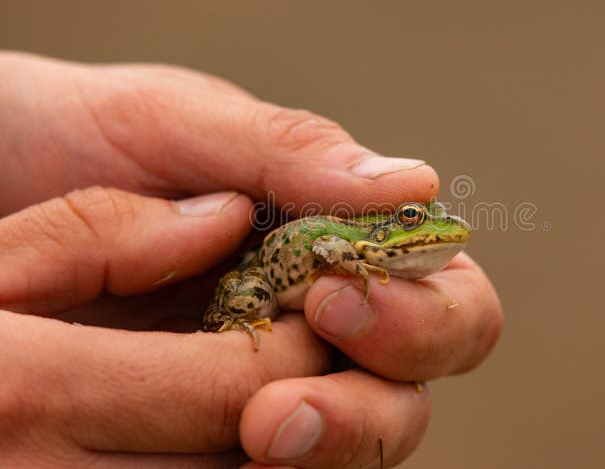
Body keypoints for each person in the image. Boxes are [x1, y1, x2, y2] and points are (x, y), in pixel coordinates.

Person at [0, 51, 503, 468]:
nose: (434, 227)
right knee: (258, 309)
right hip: (261, 277)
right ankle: (232, 324)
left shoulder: (383, 267)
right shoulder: (356, 248)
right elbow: (327, 249)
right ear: (393, 225)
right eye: (416, 217)